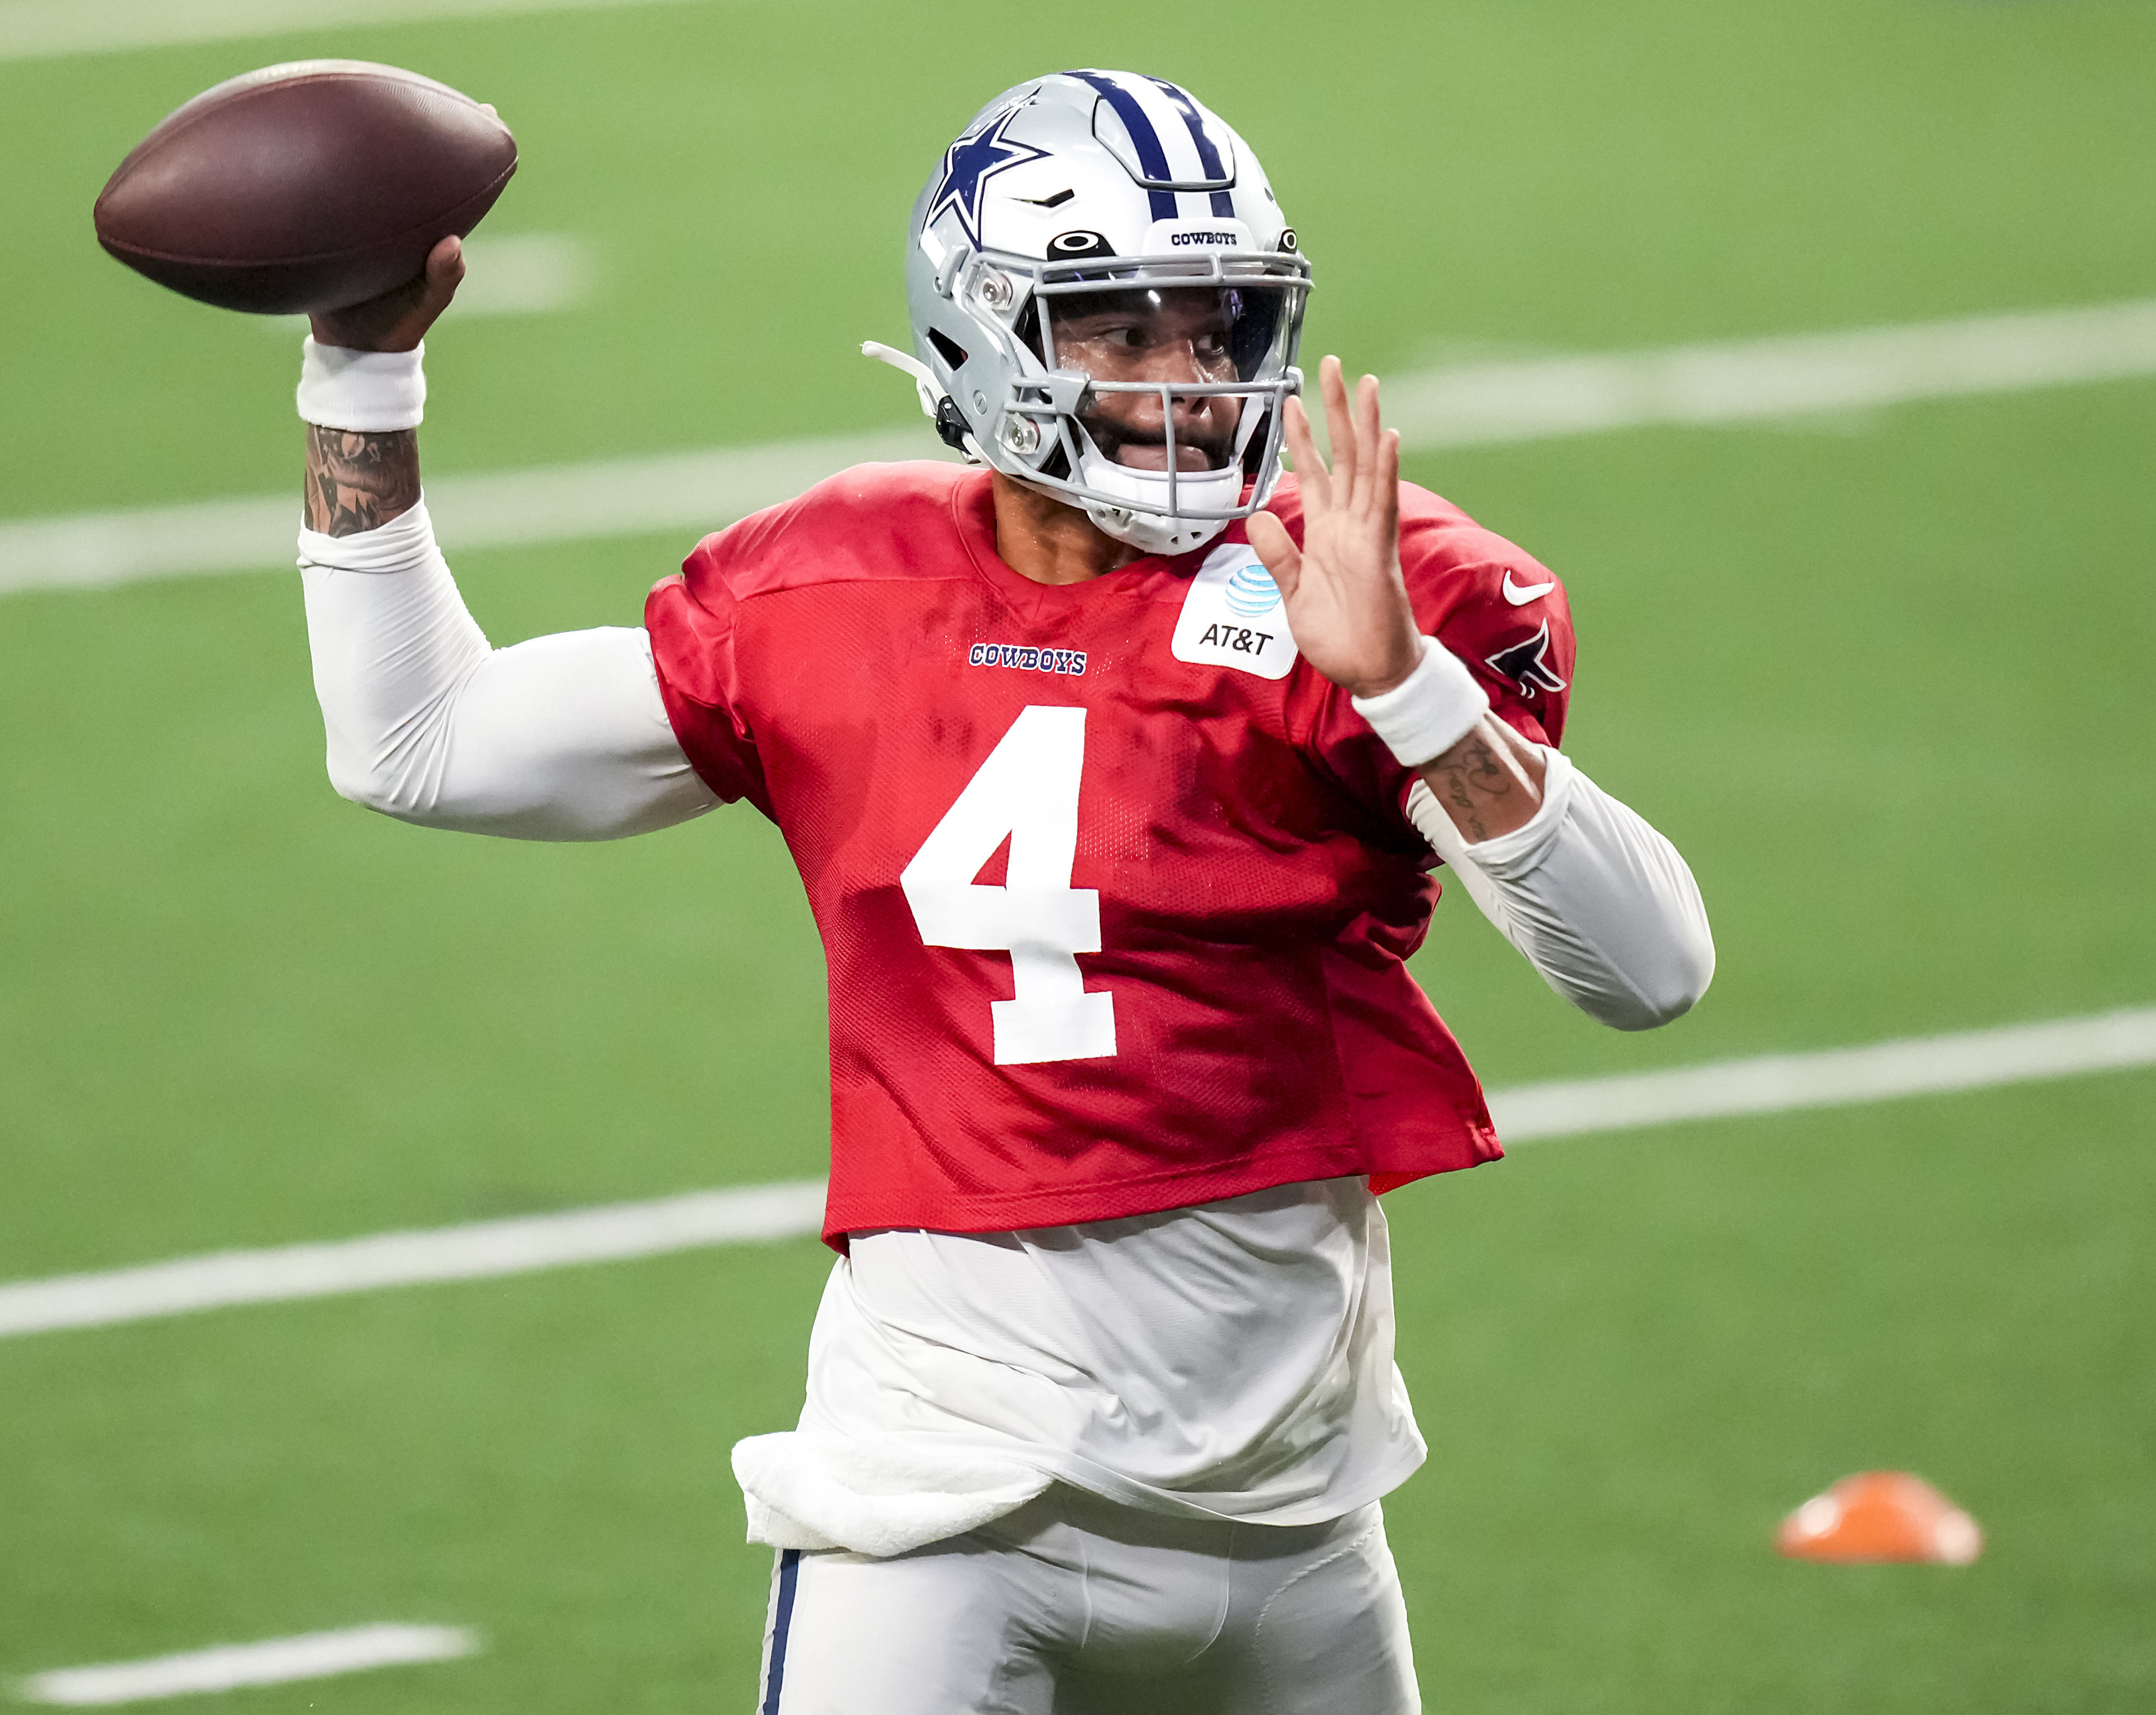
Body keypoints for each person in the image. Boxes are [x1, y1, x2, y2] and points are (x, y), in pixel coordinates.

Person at [289, 68, 1711, 1715]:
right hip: (945, 1509)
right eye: (1124, 332)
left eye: (1222, 326)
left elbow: (1651, 967)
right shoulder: (830, 587)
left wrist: (1407, 684)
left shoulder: (1361, 592)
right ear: (986, 333)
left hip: (1294, 1523)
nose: (1191, 382)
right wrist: (362, 370)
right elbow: (418, 741)